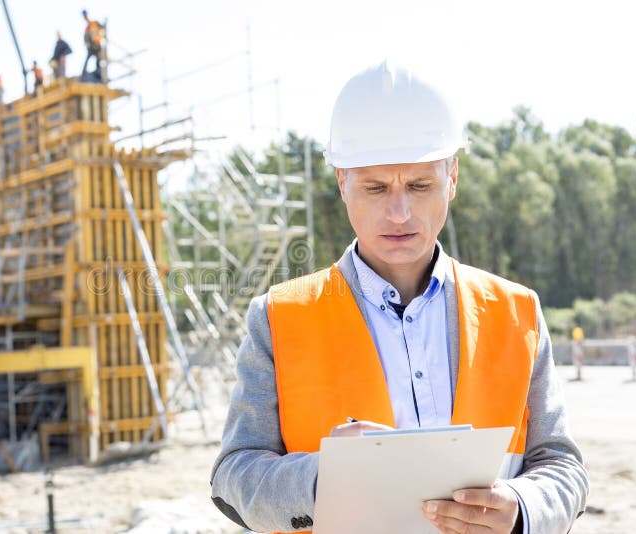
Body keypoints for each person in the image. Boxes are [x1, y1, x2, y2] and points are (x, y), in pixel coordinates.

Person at [210, 63, 589, 534]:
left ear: (451, 177)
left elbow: (563, 466)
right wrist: (323, 479)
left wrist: (520, 508)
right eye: (375, 187)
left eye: (419, 185)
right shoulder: (278, 318)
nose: (399, 212)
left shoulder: (517, 313)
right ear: (341, 182)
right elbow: (233, 476)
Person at [81, 9, 105, 80]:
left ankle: (98, 73)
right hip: (91, 47)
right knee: (88, 59)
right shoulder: (87, 29)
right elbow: (85, 40)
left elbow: (102, 29)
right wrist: (88, 46)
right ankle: (84, 73)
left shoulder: (95, 23)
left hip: (97, 45)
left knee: (98, 59)